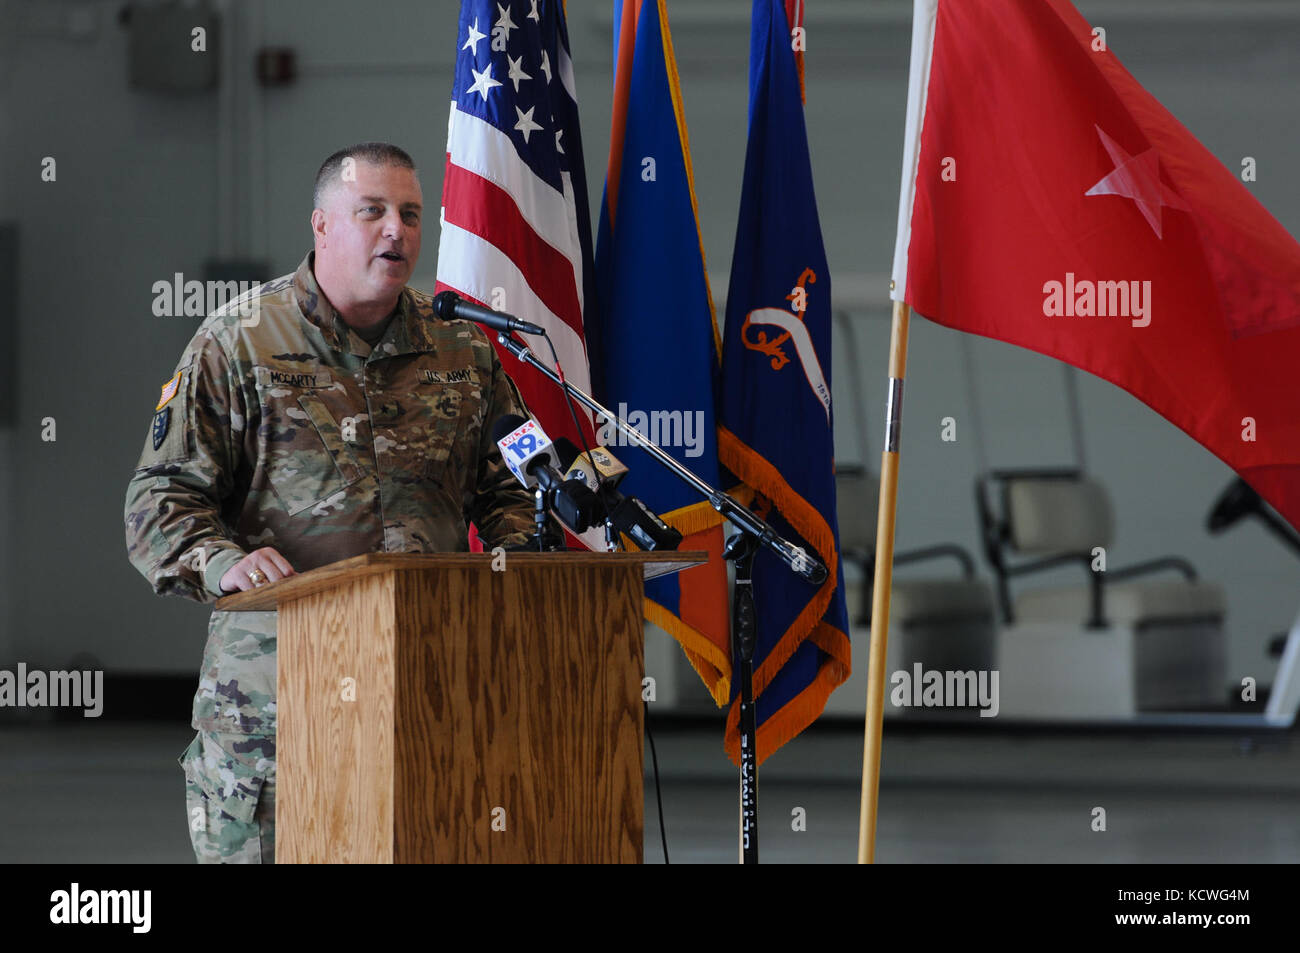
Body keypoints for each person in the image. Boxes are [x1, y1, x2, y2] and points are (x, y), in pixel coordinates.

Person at [124, 142, 539, 863]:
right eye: (372, 211)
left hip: (431, 694)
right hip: (278, 709)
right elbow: (159, 498)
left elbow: (510, 485)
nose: (396, 231)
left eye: (410, 214)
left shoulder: (462, 347)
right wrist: (224, 562)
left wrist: (516, 562)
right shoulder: (239, 342)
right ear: (321, 226)